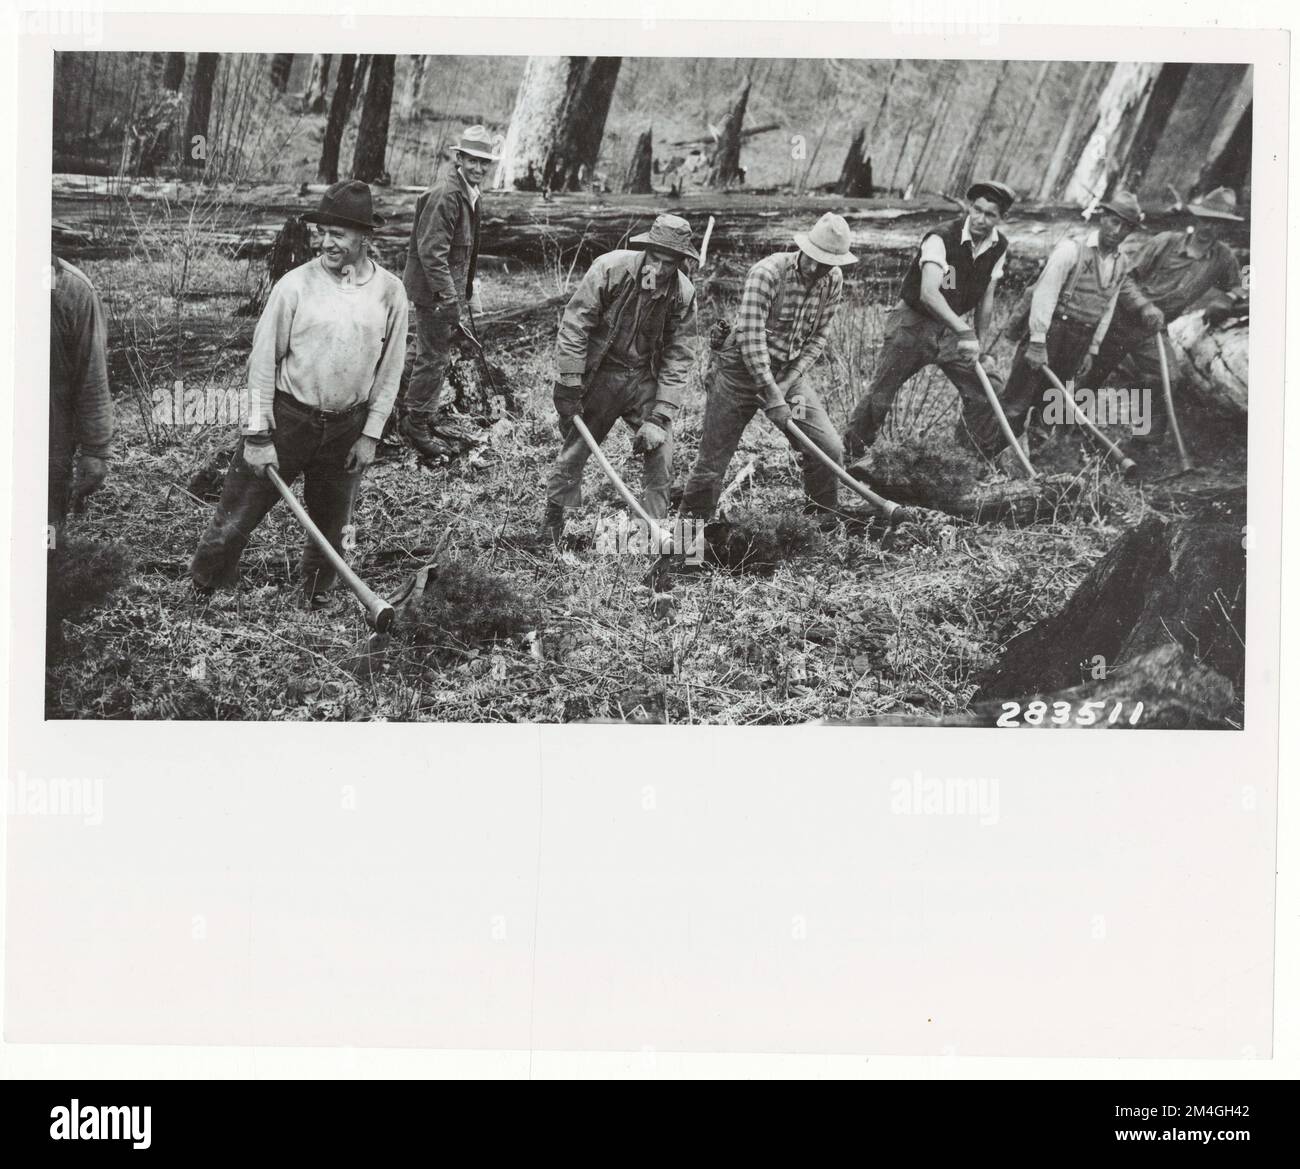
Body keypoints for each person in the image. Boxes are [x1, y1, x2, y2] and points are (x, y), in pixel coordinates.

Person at [191, 181, 408, 601]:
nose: (326, 242)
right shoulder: (294, 286)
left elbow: (391, 368)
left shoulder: (390, 292)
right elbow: (261, 363)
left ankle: (314, 597)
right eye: (323, 232)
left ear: (365, 238)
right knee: (237, 514)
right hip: (289, 420)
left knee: (333, 526)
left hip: (347, 426)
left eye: (339, 234)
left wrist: (370, 434)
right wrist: (257, 436)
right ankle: (202, 589)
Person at [679, 212, 857, 523]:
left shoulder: (833, 282)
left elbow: (818, 339)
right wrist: (772, 394)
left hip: (787, 375)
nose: (816, 267)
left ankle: (821, 527)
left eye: (827, 262)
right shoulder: (768, 273)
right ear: (803, 248)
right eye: (813, 258)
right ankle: (686, 545)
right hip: (738, 374)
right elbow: (751, 339)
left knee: (827, 449)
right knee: (712, 463)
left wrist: (785, 388)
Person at [543, 214, 699, 543]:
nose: (658, 268)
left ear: (680, 263)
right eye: (654, 257)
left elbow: (679, 354)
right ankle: (552, 518)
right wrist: (570, 381)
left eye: (668, 262)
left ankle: (655, 536)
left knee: (662, 454)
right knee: (575, 449)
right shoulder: (610, 269)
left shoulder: (682, 294)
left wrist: (660, 415)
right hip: (602, 373)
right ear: (645, 250)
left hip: (644, 378)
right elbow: (575, 324)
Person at [841, 180, 1016, 462]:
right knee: (881, 396)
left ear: (1002, 218)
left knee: (988, 391)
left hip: (951, 330)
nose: (981, 219)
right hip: (913, 324)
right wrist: (964, 331)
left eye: (990, 215)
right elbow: (929, 294)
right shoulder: (941, 237)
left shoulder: (999, 246)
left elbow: (987, 299)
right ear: (970, 207)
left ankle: (963, 460)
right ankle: (850, 456)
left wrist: (979, 345)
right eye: (977, 210)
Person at [1086, 186, 1244, 448]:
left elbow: (1242, 284)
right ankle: (1065, 425)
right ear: (1195, 218)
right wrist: (1144, 306)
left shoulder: (1223, 257)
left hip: (1153, 331)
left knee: (1168, 378)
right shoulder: (1166, 242)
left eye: (1217, 223)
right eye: (1205, 219)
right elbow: (1123, 279)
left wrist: (1229, 298)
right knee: (1092, 372)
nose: (1208, 228)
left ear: (1224, 227)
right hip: (1120, 320)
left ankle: (1145, 441)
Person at [998, 190, 1145, 442]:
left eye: (1126, 227)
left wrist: (1093, 349)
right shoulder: (1071, 250)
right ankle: (992, 452)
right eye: (1114, 221)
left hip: (1080, 340)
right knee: (1018, 398)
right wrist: (1036, 341)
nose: (1117, 231)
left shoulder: (1121, 264)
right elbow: (1045, 293)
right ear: (1103, 217)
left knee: (1050, 405)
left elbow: (1106, 308)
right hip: (1053, 331)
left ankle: (1030, 457)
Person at [400, 125, 499, 457]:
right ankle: (417, 424)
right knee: (435, 357)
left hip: (446, 290)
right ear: (459, 158)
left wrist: (467, 289)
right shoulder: (447, 194)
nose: (479, 169)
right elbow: (432, 252)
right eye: (473, 161)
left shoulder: (469, 192)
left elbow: (463, 253)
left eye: (485, 163)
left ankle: (396, 403)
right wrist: (448, 298)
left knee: (421, 350)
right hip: (434, 293)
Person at [49, 253, 114, 529]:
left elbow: (93, 376)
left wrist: (95, 450)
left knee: (45, 539)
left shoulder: (71, 290)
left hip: (47, 450)